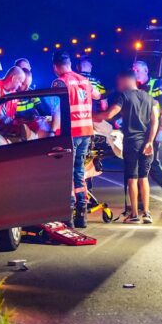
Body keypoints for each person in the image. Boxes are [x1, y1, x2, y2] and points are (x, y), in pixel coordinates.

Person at [96, 69, 157, 223]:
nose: (118, 86)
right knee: (144, 178)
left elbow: (109, 114)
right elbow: (155, 120)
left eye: (119, 83)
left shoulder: (124, 96)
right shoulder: (150, 98)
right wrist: (150, 141)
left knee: (132, 179)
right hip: (147, 144)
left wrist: (90, 116)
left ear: (125, 81)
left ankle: (135, 214)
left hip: (132, 143)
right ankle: (147, 213)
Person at [50, 51, 96, 228]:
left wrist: (53, 130)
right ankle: (81, 215)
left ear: (55, 66)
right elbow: (96, 96)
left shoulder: (59, 82)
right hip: (86, 130)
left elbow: (56, 111)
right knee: (79, 172)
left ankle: (67, 215)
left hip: (69, 133)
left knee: (66, 173)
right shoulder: (84, 80)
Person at [132, 60, 162, 207]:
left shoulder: (156, 85)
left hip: (152, 129)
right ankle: (139, 198)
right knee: (137, 163)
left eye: (137, 70)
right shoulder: (134, 86)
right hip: (137, 130)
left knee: (150, 163)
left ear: (145, 70)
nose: (135, 72)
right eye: (133, 70)